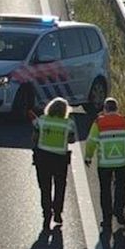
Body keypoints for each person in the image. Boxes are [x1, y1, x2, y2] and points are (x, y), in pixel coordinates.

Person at [32, 97, 76, 229]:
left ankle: (46, 212)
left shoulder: (41, 121)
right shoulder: (69, 123)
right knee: (60, 186)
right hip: (60, 159)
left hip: (42, 158)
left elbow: (34, 138)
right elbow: (72, 140)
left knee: (45, 187)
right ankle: (57, 212)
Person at [85, 97, 125, 229]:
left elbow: (91, 141)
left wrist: (88, 157)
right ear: (117, 108)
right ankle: (119, 212)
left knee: (105, 191)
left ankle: (107, 218)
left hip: (104, 163)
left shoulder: (99, 122)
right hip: (122, 162)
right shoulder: (124, 121)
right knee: (121, 188)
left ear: (104, 109)